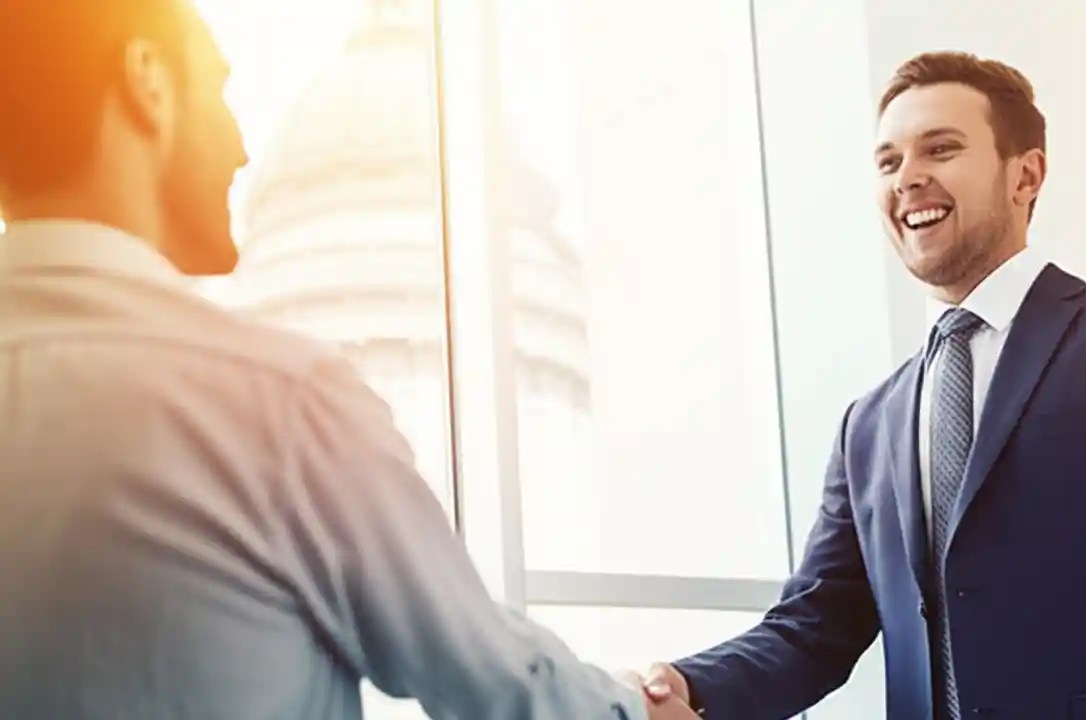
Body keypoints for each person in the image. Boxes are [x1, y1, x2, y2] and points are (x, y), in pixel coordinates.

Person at [0, 2, 699, 718]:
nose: (243, 149)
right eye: (217, 90)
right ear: (146, 81)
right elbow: (490, 676)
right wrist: (637, 711)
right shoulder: (278, 404)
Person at [626, 51, 1086, 719]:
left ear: (1026, 174)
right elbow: (815, 625)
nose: (908, 178)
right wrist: (690, 685)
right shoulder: (870, 424)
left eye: (939, 149)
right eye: (888, 162)